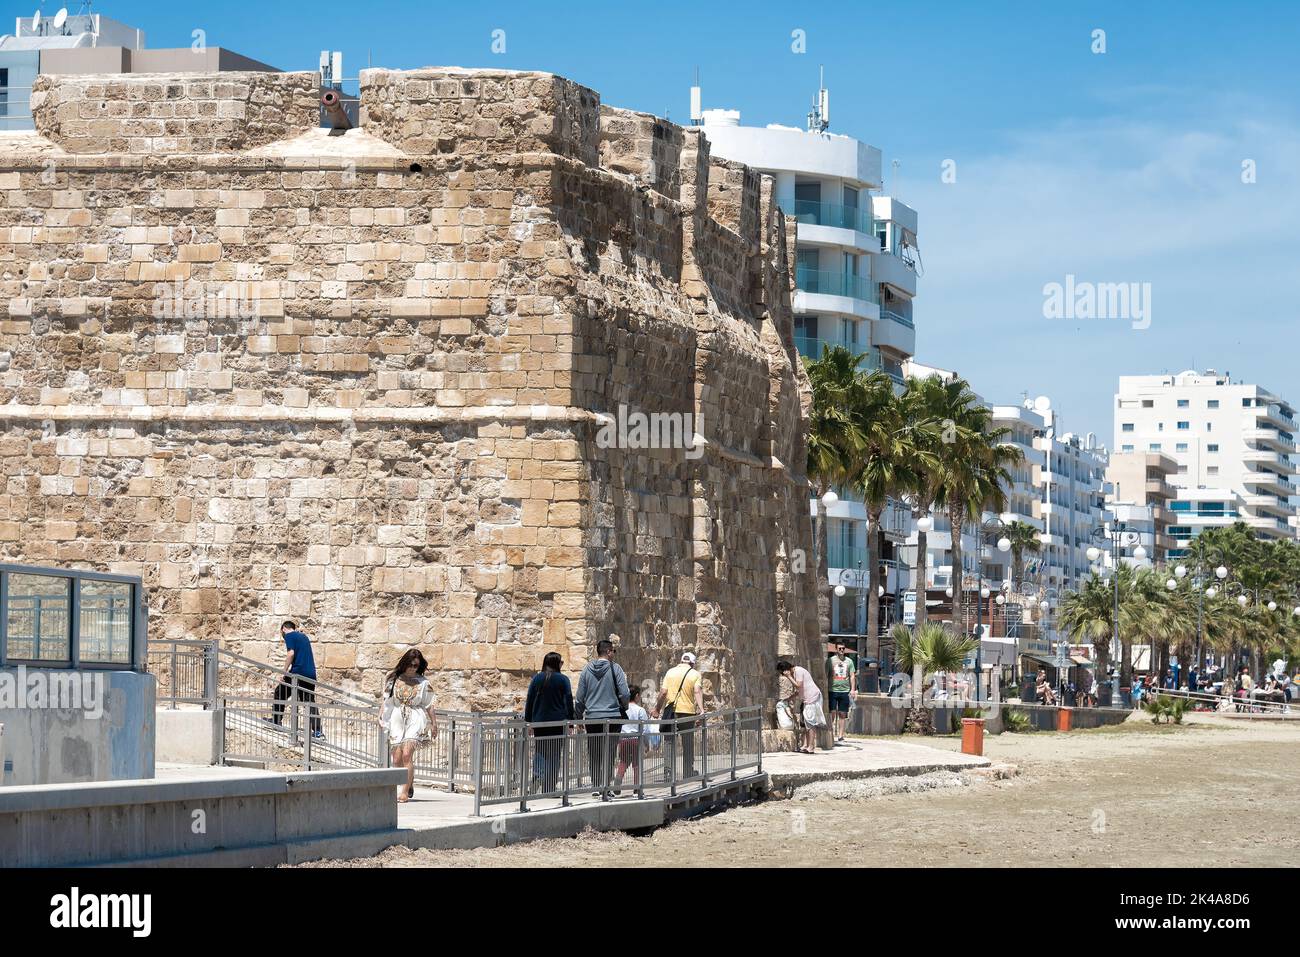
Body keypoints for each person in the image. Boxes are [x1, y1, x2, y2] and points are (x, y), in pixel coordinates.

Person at [379, 649, 437, 802]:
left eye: (416, 665)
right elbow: (386, 700)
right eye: (410, 664)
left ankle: (404, 792)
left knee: (406, 754)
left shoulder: (424, 683)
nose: (413, 668)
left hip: (415, 717)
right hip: (397, 717)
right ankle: (407, 783)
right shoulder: (393, 679)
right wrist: (381, 717)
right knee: (397, 758)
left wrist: (434, 724)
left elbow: (430, 704)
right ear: (404, 663)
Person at [574, 637, 630, 798]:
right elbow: (625, 693)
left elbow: (580, 697)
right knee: (610, 752)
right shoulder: (615, 668)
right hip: (612, 717)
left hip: (592, 718)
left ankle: (596, 785)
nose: (614, 654)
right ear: (608, 651)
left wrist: (578, 716)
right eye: (613, 651)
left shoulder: (586, 669)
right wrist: (624, 706)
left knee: (594, 752)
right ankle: (606, 785)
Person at [524, 652, 574, 793]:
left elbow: (530, 701)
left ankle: (537, 776)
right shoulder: (563, 680)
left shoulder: (536, 679)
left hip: (539, 722)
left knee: (540, 751)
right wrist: (570, 723)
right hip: (558, 723)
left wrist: (529, 722)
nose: (562, 664)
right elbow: (568, 702)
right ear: (555, 663)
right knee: (554, 754)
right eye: (561, 662)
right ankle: (550, 786)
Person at [654, 652, 704, 780]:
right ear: (692, 663)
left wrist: (657, 708)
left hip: (671, 712)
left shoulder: (670, 672)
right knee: (687, 743)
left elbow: (664, 692)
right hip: (687, 712)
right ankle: (688, 771)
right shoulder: (695, 674)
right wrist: (702, 710)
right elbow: (697, 691)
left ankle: (668, 773)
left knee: (669, 742)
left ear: (681, 661)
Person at [272, 620, 322, 738]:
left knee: (279, 693)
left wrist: (283, 672)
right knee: (309, 702)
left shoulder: (289, 635)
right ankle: (318, 731)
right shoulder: (304, 637)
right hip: (310, 674)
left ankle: (276, 721)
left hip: (297, 674)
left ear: (284, 628)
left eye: (282, 633)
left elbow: (291, 654)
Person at [777, 660, 825, 754]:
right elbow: (798, 691)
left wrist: (789, 677)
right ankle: (806, 745)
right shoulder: (795, 673)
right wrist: (789, 698)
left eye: (782, 672)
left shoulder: (798, 671)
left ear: (786, 669)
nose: (783, 675)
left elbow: (798, 685)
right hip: (806, 699)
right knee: (805, 723)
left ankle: (811, 747)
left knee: (810, 722)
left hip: (812, 698)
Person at [613, 686, 652, 795]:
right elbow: (645, 729)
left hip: (624, 739)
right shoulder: (640, 710)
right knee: (637, 764)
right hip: (636, 739)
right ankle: (637, 788)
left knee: (623, 762)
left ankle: (617, 783)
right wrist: (646, 743)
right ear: (636, 696)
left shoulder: (622, 709)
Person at [826, 642, 857, 744]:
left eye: (843, 648)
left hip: (845, 690)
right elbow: (826, 674)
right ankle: (830, 734)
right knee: (832, 712)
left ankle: (840, 736)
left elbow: (852, 675)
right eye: (839, 648)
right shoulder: (830, 661)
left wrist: (853, 689)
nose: (841, 650)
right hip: (832, 690)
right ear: (836, 649)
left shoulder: (849, 661)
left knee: (842, 714)